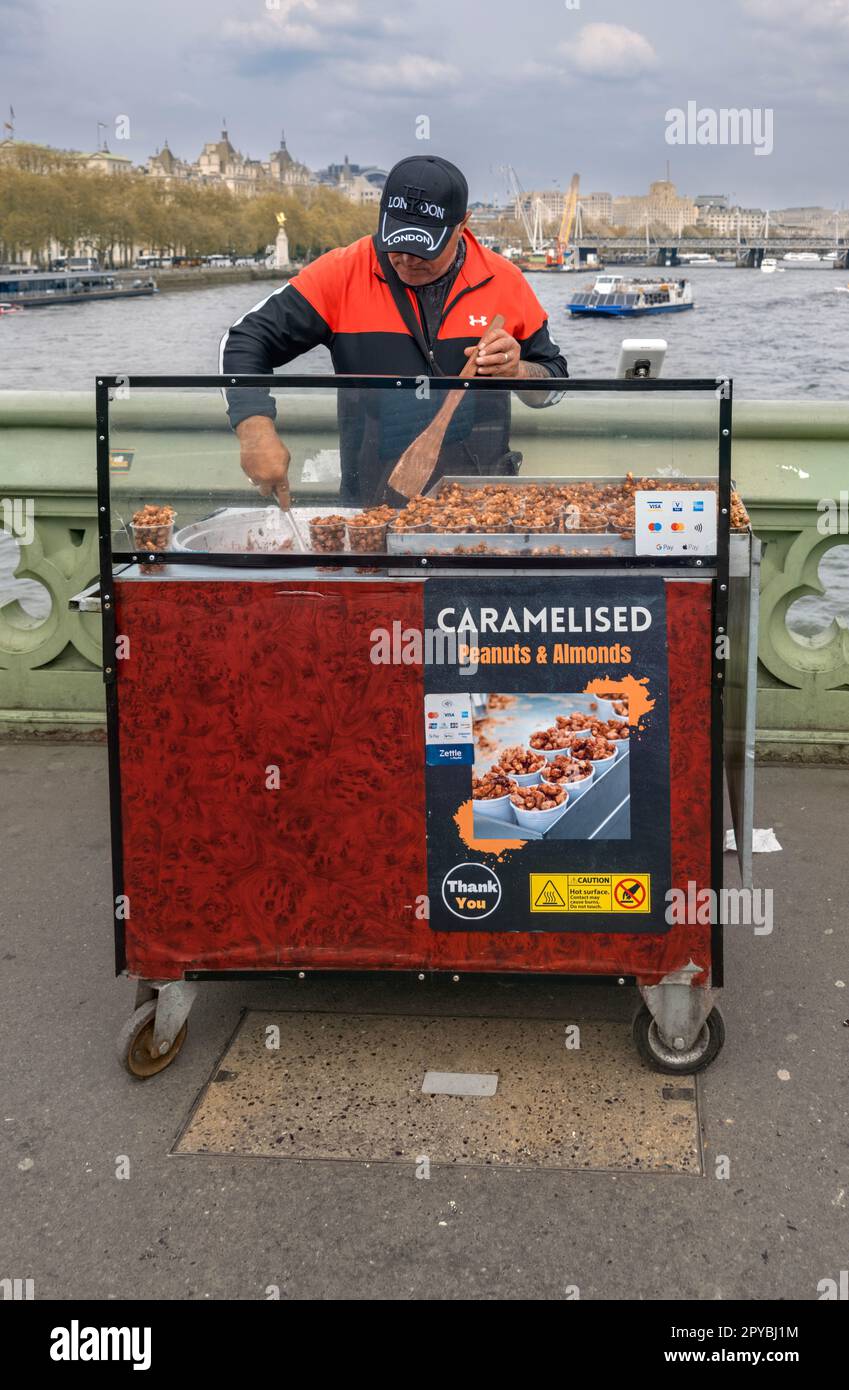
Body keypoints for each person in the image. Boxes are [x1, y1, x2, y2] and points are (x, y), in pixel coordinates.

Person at [220, 154, 568, 507]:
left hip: (482, 504)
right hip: (370, 503)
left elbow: (555, 385)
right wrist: (253, 428)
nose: (407, 258)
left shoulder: (505, 281)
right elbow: (245, 339)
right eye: (396, 241)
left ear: (463, 224)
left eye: (423, 247)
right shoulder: (342, 273)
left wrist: (518, 371)